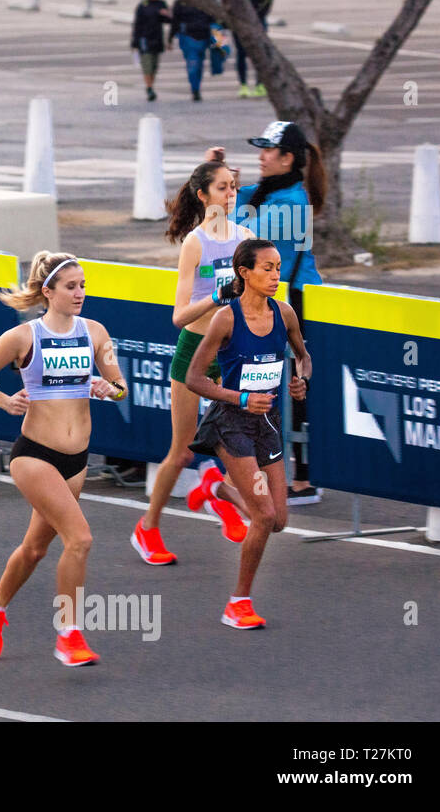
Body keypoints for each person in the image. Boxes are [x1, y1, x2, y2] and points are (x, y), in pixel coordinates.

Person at [0, 252, 129, 667]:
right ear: (48, 292)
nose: (80, 293)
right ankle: (69, 634)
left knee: (35, 549)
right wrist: (6, 401)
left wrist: (105, 388)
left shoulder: (95, 332)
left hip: (76, 462)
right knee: (80, 539)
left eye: (83, 285)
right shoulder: (23, 337)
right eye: (71, 286)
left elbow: (120, 387)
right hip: (34, 456)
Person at [185, 238, 311, 628]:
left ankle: (218, 489)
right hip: (230, 420)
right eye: (267, 268)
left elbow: (303, 356)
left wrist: (300, 379)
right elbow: (193, 377)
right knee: (263, 514)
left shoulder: (285, 313)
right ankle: (237, 603)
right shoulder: (226, 319)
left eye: (278, 268)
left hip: (266, 422)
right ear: (244, 273)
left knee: (279, 521)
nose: (275, 276)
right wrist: (239, 397)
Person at [132, 161, 251, 566]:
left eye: (234, 187)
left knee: (237, 443)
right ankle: (147, 528)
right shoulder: (195, 243)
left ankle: (214, 492)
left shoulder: (247, 240)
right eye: (222, 188)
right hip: (195, 350)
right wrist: (218, 297)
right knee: (181, 452)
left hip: (231, 353)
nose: (231, 194)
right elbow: (179, 315)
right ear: (203, 196)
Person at [216, 120, 326, 504]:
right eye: (260, 148)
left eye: (268, 150)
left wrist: (227, 196)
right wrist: (221, 181)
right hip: (277, 298)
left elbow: (236, 238)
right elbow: (220, 211)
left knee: (295, 381)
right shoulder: (268, 191)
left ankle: (302, 479)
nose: (261, 156)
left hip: (295, 299)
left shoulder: (291, 203)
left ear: (288, 158)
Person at [170, 0, 215, 101]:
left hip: (203, 36)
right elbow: (175, 21)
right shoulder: (181, 1)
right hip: (188, 37)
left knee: (198, 63)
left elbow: (213, 18)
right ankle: (195, 89)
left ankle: (196, 87)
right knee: (193, 63)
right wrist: (170, 37)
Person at [132, 0, 171, 102]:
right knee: (147, 65)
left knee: (154, 66)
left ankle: (150, 86)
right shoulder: (143, 5)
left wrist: (166, 14)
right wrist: (135, 42)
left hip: (157, 38)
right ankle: (149, 88)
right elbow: (137, 25)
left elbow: (168, 20)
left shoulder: (161, 3)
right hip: (144, 39)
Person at [234, 0, 271, 98]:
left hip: (257, 20)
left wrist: (258, 15)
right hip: (241, 21)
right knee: (241, 53)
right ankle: (244, 85)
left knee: (261, 53)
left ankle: (259, 84)